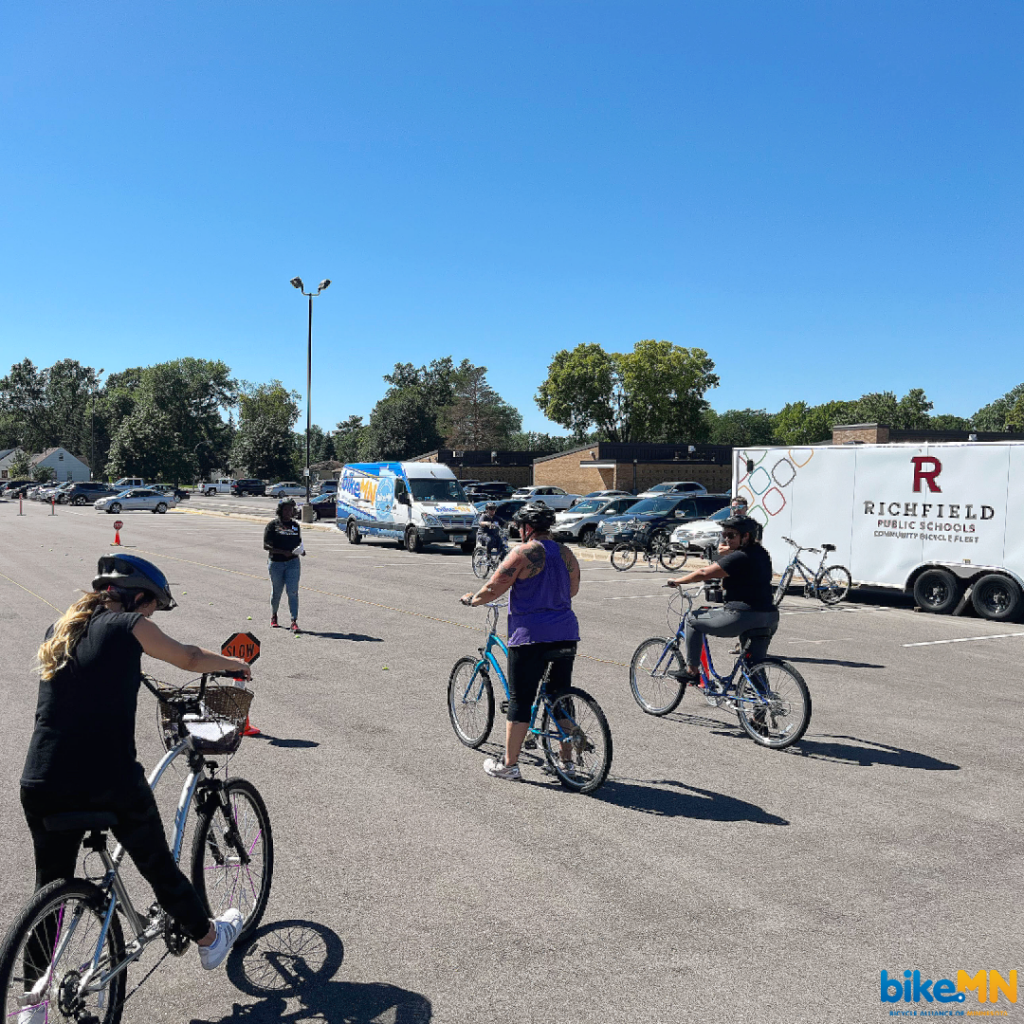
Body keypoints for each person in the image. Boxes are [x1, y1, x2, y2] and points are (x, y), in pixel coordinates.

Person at [21, 554, 253, 977]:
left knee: (49, 891)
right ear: (138, 598)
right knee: (157, 863)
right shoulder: (130, 626)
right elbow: (187, 658)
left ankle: (32, 999)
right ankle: (208, 939)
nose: (151, 615)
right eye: (152, 606)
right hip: (106, 781)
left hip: (42, 780)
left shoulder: (61, 630)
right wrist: (235, 664)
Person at [460, 503, 581, 782]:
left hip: (530, 636)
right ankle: (566, 763)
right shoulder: (567, 553)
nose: (517, 531)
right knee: (559, 694)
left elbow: (494, 587)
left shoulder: (522, 553)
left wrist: (473, 599)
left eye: (518, 527)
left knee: (520, 699)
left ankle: (509, 764)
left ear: (527, 528)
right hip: (565, 632)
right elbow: (572, 589)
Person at [666, 515, 778, 687]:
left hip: (742, 615)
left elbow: (704, 573)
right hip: (769, 616)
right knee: (754, 665)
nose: (726, 539)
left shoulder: (739, 557)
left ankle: (691, 671)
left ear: (746, 536)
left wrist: (678, 581)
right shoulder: (761, 553)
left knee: (692, 619)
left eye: (732, 535)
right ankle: (761, 708)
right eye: (724, 535)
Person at [264, 498, 304, 633]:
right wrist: (282, 552)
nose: (288, 512)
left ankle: (294, 621)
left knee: (292, 592)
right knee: (277, 591)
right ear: (280, 510)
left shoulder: (295, 526)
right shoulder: (273, 525)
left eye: (291, 510)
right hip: (276, 563)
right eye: (286, 509)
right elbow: (266, 545)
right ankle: (274, 616)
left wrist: (301, 551)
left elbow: (298, 542)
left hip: (293, 562)